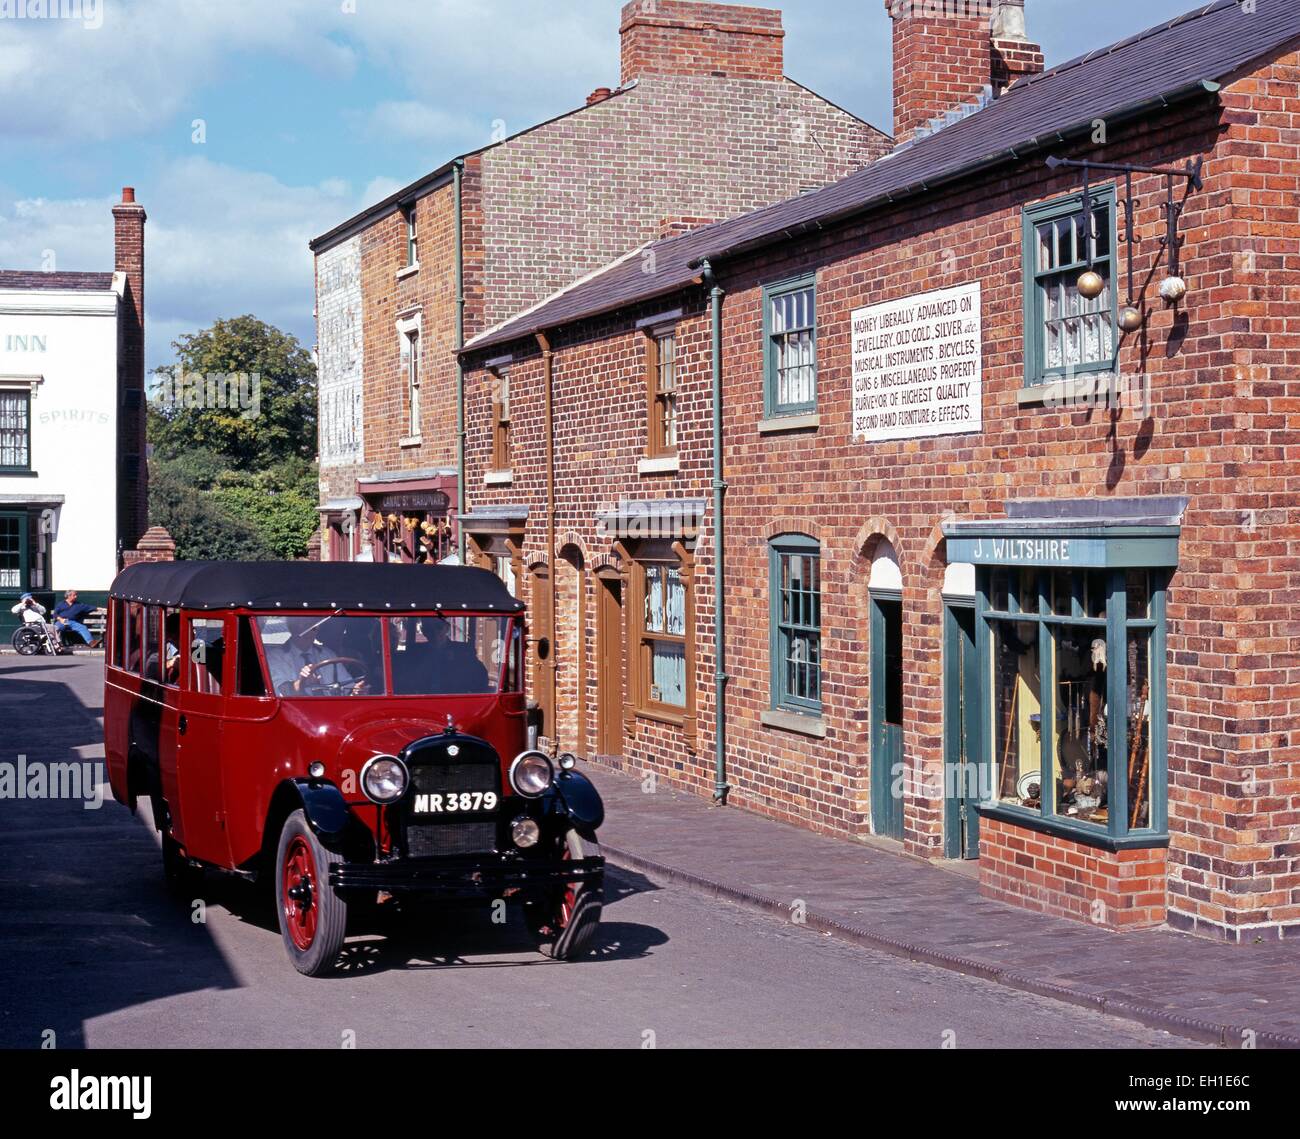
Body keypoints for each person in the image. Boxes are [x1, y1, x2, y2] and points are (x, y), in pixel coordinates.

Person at [264, 616, 369, 696]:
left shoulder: (328, 654)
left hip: (331, 711)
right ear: (292, 628)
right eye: (303, 626)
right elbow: (280, 690)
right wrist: (302, 682)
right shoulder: (275, 656)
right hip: (296, 712)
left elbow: (346, 686)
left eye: (313, 627)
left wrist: (355, 691)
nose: (308, 631)